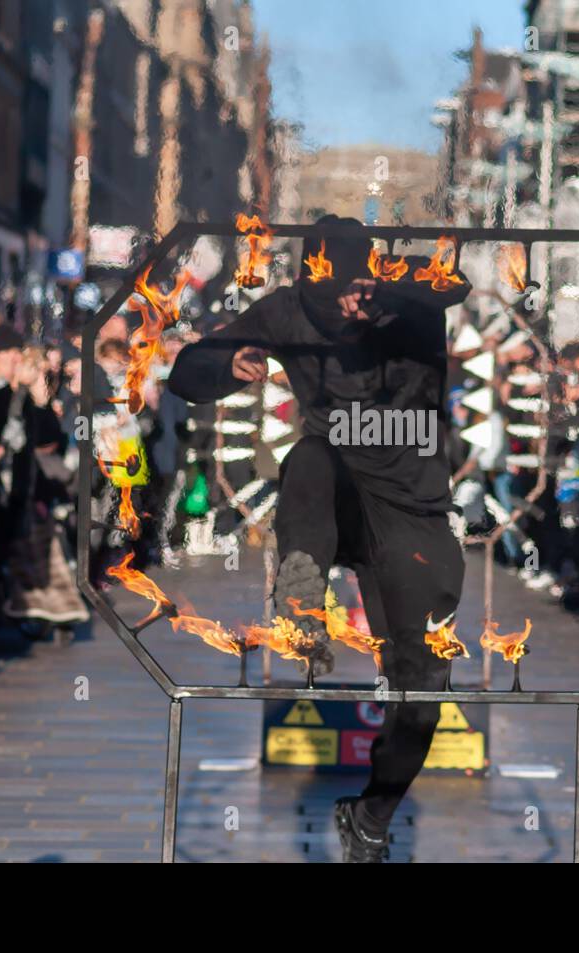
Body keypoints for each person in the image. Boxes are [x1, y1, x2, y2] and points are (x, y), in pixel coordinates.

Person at [169, 215, 469, 862]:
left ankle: (371, 815)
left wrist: (386, 295)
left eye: (358, 289)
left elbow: (452, 287)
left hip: (412, 509)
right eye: (333, 294)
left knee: (421, 691)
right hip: (336, 491)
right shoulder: (285, 310)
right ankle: (302, 591)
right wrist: (228, 364)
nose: (347, 308)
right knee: (308, 456)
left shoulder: (405, 295)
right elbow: (186, 373)